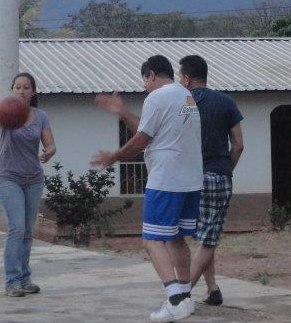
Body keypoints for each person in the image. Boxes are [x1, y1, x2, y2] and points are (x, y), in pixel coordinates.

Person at [92, 55, 202, 323]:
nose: (144, 87)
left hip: (166, 179)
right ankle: (185, 298)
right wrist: (122, 112)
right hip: (190, 180)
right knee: (176, 238)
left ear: (151, 74)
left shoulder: (157, 97)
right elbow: (153, 128)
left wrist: (114, 157)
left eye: (144, 80)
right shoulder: (186, 98)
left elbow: (142, 139)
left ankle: (174, 299)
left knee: (151, 240)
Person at [0, 72, 57, 297]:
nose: (22, 90)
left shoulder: (41, 116)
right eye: (18, 87)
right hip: (8, 178)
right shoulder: (6, 112)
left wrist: (48, 152)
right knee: (17, 228)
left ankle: (25, 278)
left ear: (33, 92)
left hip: (33, 179)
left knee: (27, 231)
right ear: (12, 91)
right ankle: (11, 281)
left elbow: (51, 144)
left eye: (26, 87)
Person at [178, 54, 244, 307]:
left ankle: (205, 290)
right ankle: (184, 294)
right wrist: (227, 169)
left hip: (187, 178)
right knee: (208, 237)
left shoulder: (184, 103)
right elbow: (238, 145)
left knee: (204, 235)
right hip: (217, 175)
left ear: (185, 77)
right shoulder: (226, 102)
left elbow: (176, 137)